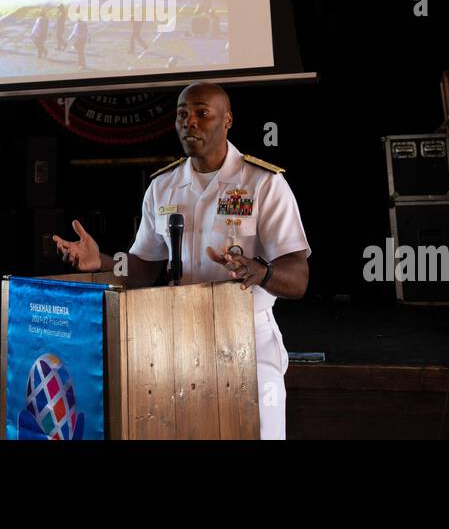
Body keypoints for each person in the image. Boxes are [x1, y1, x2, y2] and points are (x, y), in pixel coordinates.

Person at [52, 82, 310, 439]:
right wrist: (104, 262)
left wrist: (259, 271)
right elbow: (143, 268)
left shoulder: (263, 183)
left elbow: (298, 278)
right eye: (182, 114)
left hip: (248, 340)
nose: (190, 122)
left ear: (227, 120)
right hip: (179, 344)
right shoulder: (163, 186)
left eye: (202, 113)